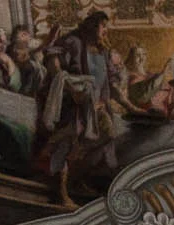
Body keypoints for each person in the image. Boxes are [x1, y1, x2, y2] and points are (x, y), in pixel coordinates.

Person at [35, 11, 119, 207]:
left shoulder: (102, 51)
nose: (106, 31)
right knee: (66, 143)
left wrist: (129, 107)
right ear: (92, 26)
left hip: (96, 107)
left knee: (107, 134)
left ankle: (75, 179)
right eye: (103, 26)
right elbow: (51, 58)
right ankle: (62, 192)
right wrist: (72, 88)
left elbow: (110, 84)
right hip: (72, 105)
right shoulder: (74, 42)